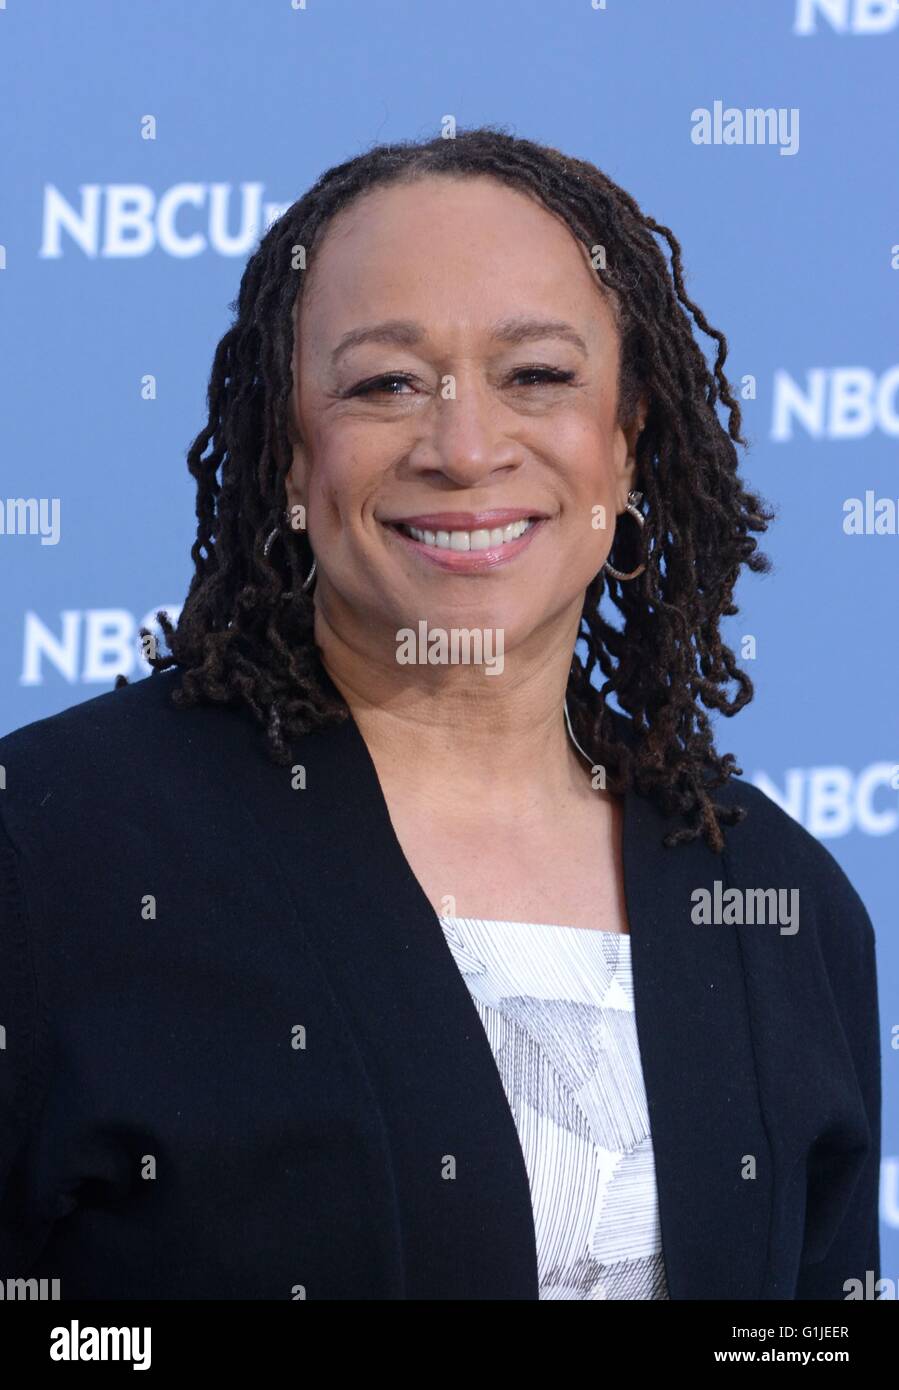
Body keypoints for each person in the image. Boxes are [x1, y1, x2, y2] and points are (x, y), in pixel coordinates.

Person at [0, 128, 880, 1300]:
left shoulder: (775, 897)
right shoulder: (54, 848)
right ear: (288, 461)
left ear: (625, 447)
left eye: (536, 376)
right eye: (385, 384)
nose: (464, 449)